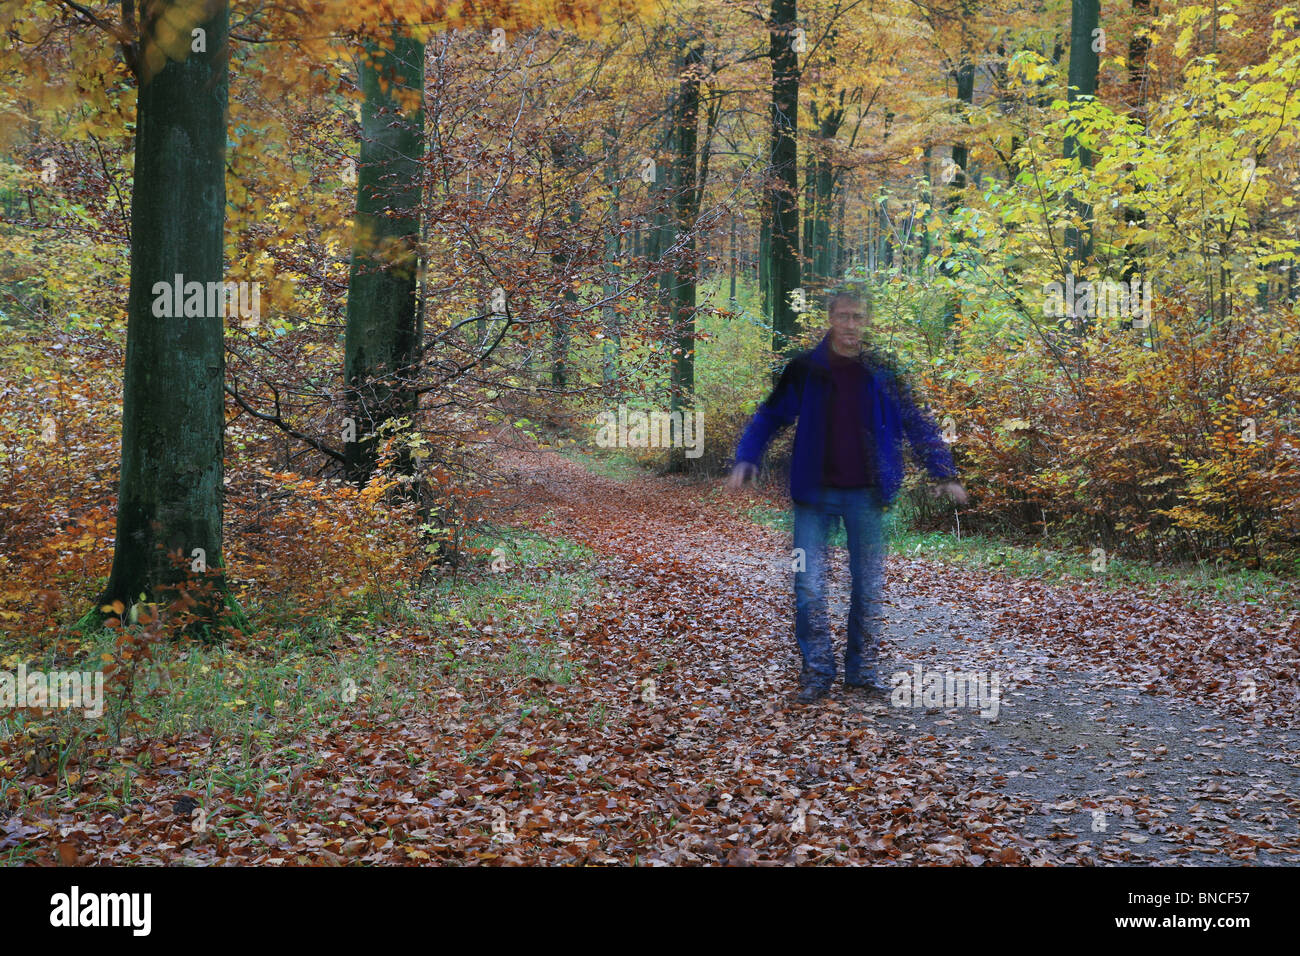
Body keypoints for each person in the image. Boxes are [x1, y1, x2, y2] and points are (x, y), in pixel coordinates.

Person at [725, 288, 968, 704]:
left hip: (868, 496)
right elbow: (771, 414)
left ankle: (861, 673)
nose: (851, 324)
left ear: (866, 322)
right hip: (813, 494)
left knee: (868, 588)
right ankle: (817, 673)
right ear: (831, 319)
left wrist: (943, 471)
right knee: (809, 587)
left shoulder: (884, 369)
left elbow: (917, 420)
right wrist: (748, 457)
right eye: (843, 316)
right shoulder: (805, 368)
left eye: (858, 317)